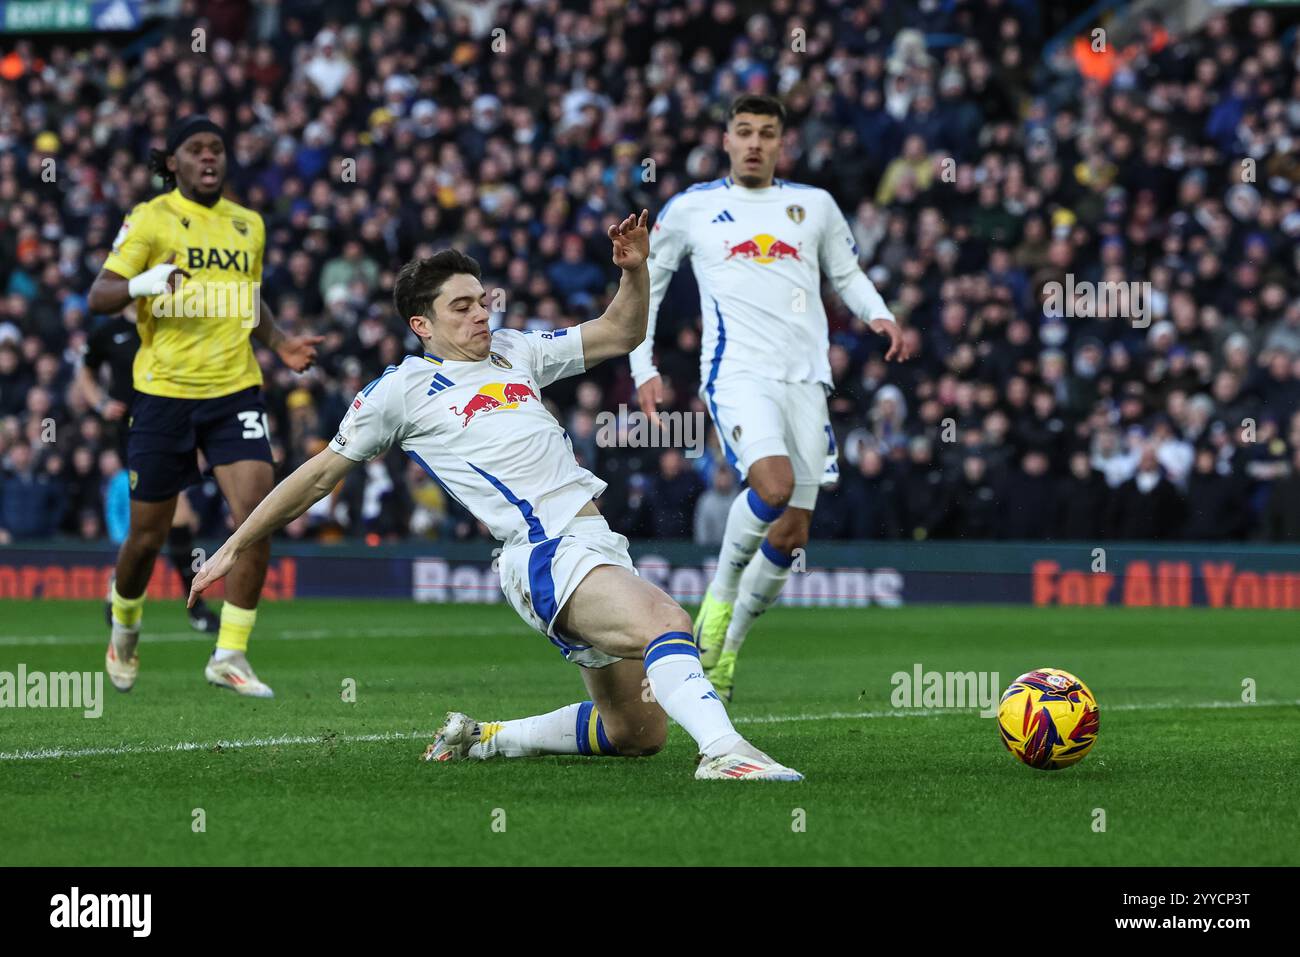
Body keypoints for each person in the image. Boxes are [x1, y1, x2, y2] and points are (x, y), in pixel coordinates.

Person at [189, 211, 803, 782]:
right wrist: (237, 543)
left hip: (592, 544)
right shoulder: (402, 390)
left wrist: (634, 270)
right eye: (462, 307)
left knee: (636, 732)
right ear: (422, 325)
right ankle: (725, 753)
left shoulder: (516, 350)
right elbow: (317, 475)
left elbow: (621, 330)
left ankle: (485, 738)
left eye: (482, 300)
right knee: (668, 622)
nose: (481, 313)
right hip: (544, 552)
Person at [630, 94, 910, 699]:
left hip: (806, 381)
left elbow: (847, 274)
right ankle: (717, 602)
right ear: (725, 140)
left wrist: (879, 315)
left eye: (767, 133)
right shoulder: (693, 208)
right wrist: (641, 364)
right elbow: (646, 285)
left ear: (783, 143)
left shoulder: (813, 206)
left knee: (791, 534)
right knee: (773, 486)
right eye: (744, 132)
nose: (755, 142)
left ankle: (725, 654)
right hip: (736, 375)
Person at [86, 115, 322, 698]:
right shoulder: (150, 218)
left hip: (233, 389)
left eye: (217, 148)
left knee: (258, 515)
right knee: (146, 536)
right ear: (173, 162)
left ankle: (230, 653)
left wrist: (280, 342)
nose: (209, 157)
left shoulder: (249, 224)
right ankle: (125, 625)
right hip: (163, 393)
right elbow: (99, 295)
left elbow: (250, 301)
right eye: (196, 149)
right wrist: (142, 285)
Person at [78, 309, 220, 632]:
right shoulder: (109, 331)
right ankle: (193, 608)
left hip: (172, 425)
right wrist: (100, 403)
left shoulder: (167, 323)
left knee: (160, 524)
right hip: (133, 433)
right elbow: (85, 371)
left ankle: (120, 590)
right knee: (169, 518)